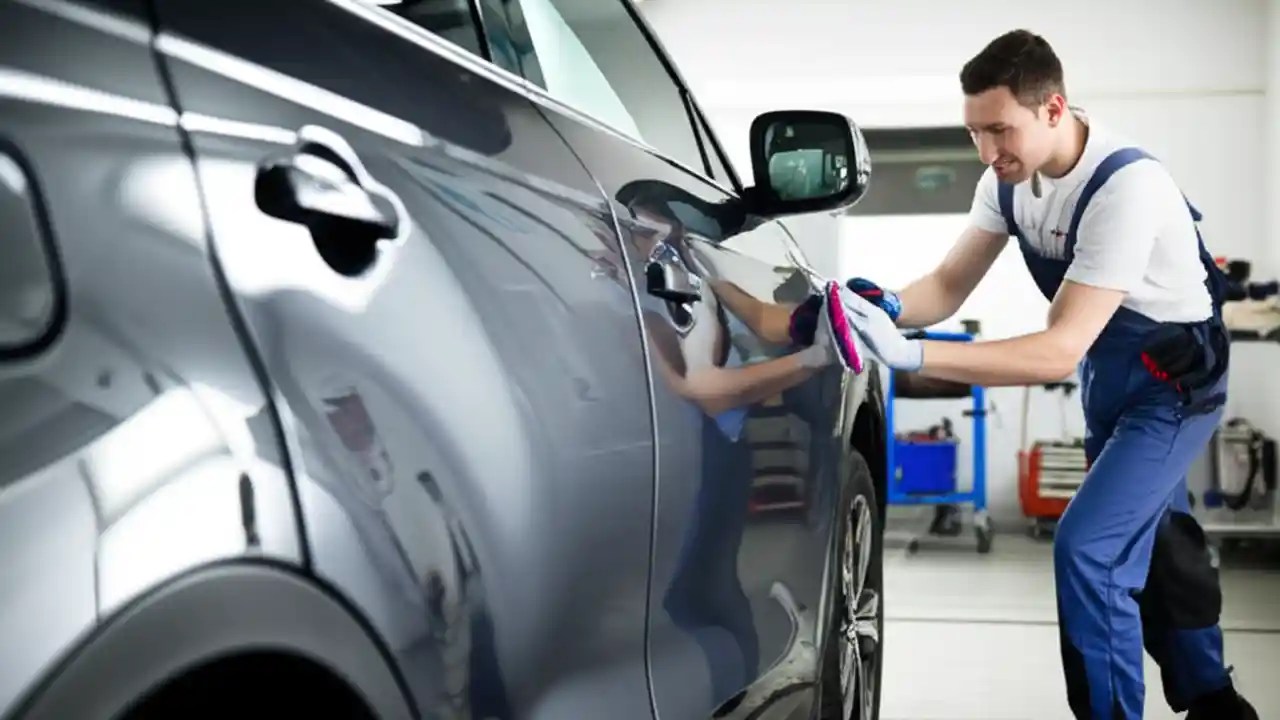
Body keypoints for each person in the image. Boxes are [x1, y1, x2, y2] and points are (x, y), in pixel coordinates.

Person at [803, 29, 1257, 720]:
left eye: (999, 130)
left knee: (1091, 551)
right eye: (974, 133)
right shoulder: (1007, 182)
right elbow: (949, 286)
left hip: (1174, 387)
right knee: (1162, 539)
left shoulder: (1125, 186)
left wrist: (913, 353)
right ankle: (1216, 701)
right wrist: (889, 307)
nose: (986, 152)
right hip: (1112, 379)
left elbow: (1055, 351)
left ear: (1053, 109)